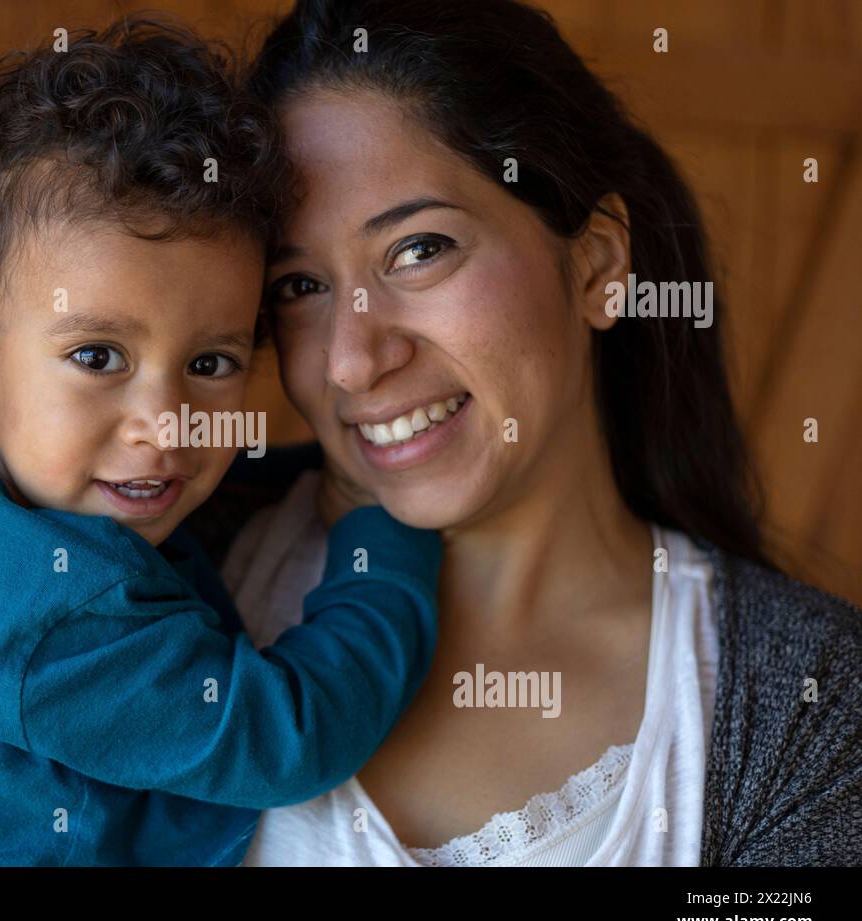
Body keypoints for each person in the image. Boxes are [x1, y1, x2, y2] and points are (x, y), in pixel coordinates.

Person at [194, 0, 862, 865]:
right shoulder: (164, 581)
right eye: (299, 288)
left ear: (597, 266)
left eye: (419, 250)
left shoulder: (807, 707)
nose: (353, 361)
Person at [0, 18, 444, 866]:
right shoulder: (34, 621)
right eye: (97, 356)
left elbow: (211, 499)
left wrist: (327, 468)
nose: (169, 423)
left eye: (211, 361)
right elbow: (290, 739)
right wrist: (388, 525)